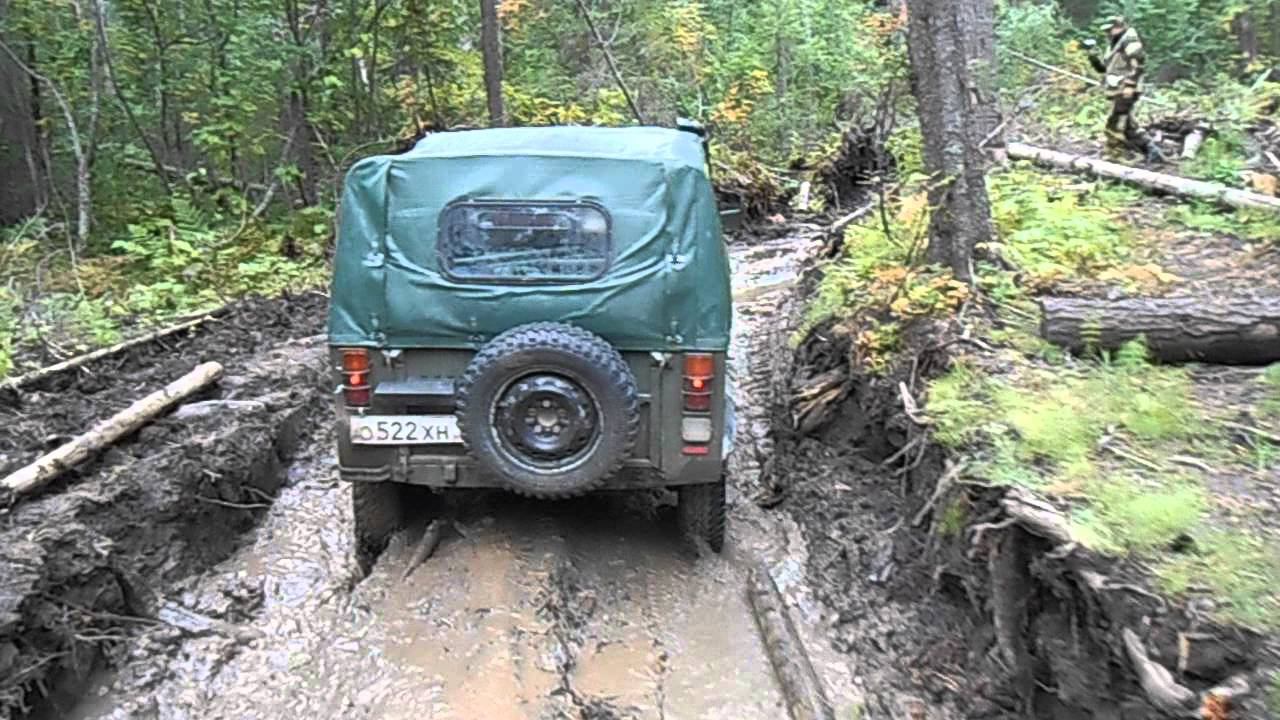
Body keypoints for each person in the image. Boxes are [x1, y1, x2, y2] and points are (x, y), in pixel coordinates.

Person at [1086, 16, 1165, 163]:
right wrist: (1093, 58)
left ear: (1119, 26)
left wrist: (1130, 85)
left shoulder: (1130, 40)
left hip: (1126, 89)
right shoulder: (1114, 44)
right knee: (1128, 124)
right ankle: (1151, 150)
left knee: (1115, 123)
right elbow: (1105, 69)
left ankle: (1115, 154)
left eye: (1110, 29)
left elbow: (1139, 63)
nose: (1108, 33)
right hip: (1117, 89)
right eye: (1107, 30)